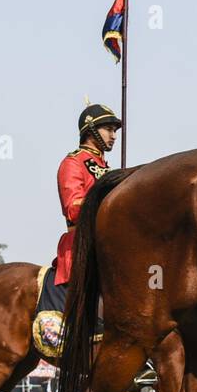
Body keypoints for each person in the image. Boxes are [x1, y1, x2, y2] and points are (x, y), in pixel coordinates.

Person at [54, 104, 121, 294]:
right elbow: (73, 209)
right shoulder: (73, 162)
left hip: (108, 243)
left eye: (114, 130)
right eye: (108, 129)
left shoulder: (107, 168)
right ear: (91, 130)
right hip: (83, 246)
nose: (114, 136)